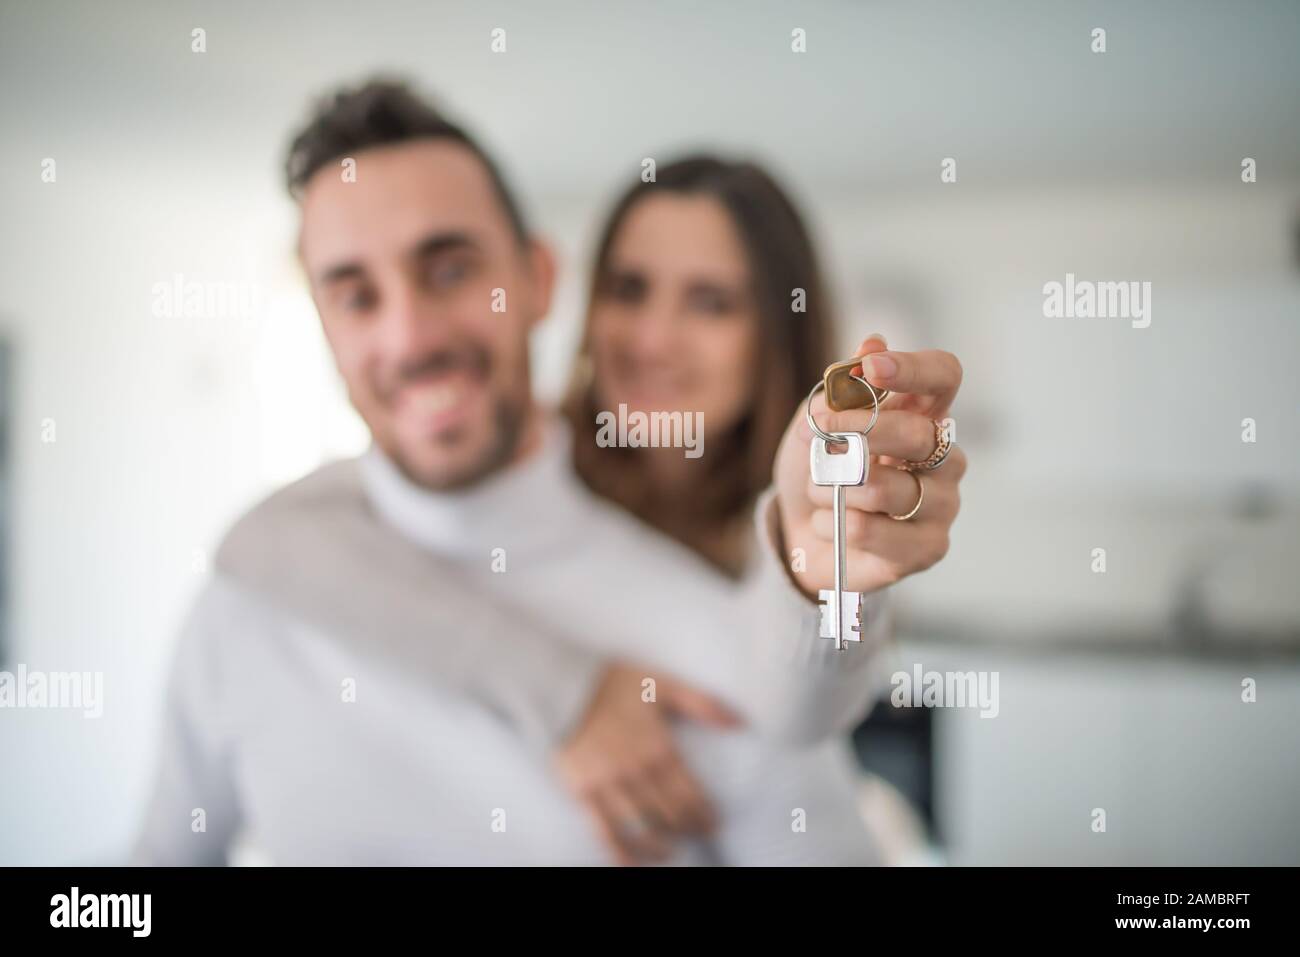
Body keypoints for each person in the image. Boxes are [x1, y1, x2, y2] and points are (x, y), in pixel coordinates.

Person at [134, 80, 965, 866]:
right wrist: (566, 690)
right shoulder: (262, 593)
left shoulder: (714, 629)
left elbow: (797, 704)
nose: (411, 336)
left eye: (450, 268)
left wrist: (820, 564)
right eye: (355, 294)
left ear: (536, 279)